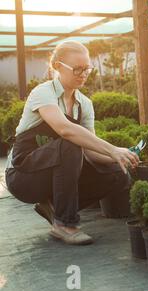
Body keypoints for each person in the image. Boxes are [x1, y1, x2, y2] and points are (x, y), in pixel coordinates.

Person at [4, 41, 139, 245]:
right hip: (24, 175)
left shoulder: (84, 104)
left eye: (87, 69)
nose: (84, 74)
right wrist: (112, 149)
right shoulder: (43, 92)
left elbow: (90, 151)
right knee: (70, 143)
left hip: (56, 172)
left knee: (117, 174)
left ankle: (56, 207)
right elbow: (65, 129)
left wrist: (121, 156)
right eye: (77, 69)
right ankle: (64, 224)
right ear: (58, 66)